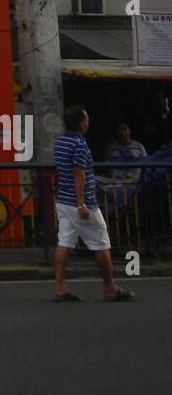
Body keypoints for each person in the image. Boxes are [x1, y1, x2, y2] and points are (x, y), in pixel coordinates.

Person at [52, 105, 133, 303]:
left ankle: (60, 287)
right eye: (86, 119)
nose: (88, 122)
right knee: (101, 243)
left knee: (64, 242)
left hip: (63, 200)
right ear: (81, 124)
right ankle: (110, 288)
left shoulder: (60, 142)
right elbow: (78, 173)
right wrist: (81, 204)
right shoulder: (80, 145)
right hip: (81, 202)